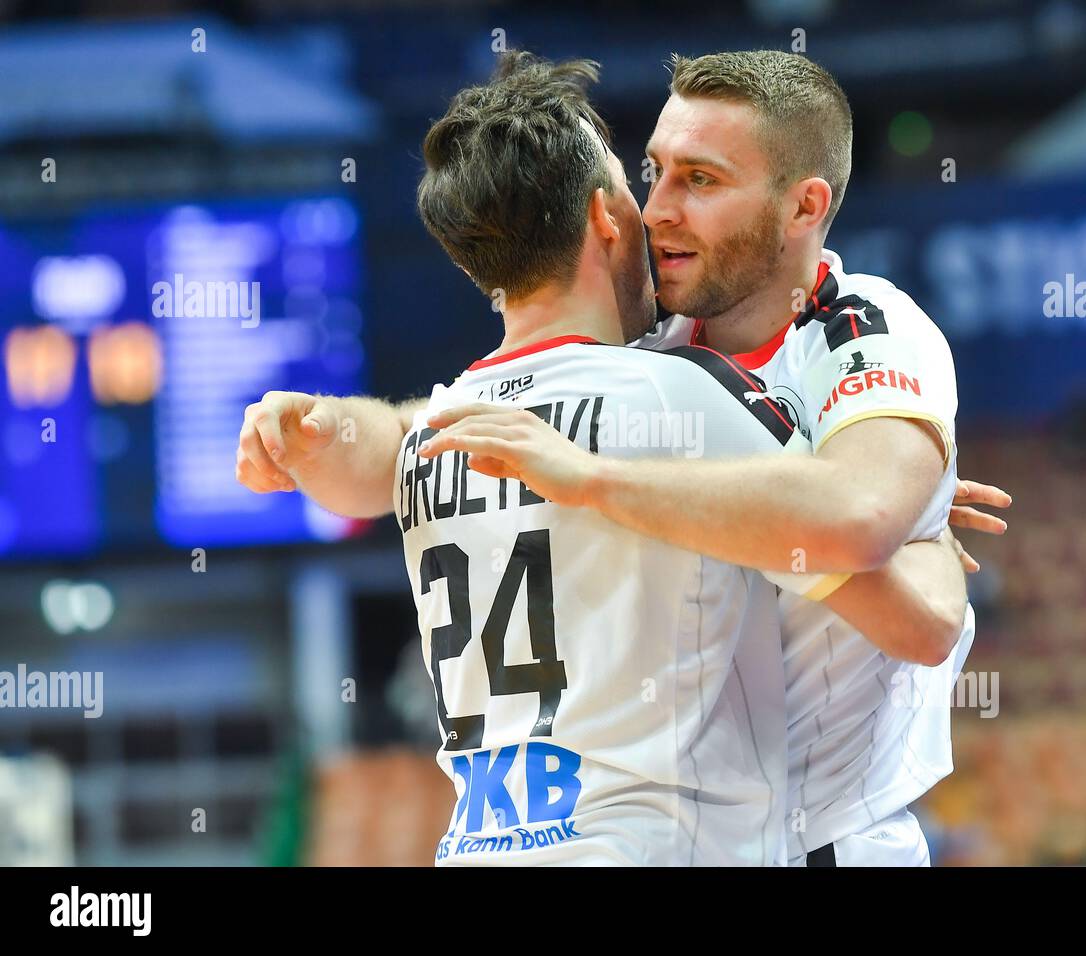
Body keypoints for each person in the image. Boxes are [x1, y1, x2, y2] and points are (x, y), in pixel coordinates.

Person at [236, 50, 1009, 866]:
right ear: (605, 216)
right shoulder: (667, 373)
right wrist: (910, 529)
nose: (660, 208)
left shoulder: (859, 326)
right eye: (653, 173)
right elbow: (880, 556)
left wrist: (891, 508)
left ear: (802, 206)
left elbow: (857, 517)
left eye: (700, 180)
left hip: (806, 832)